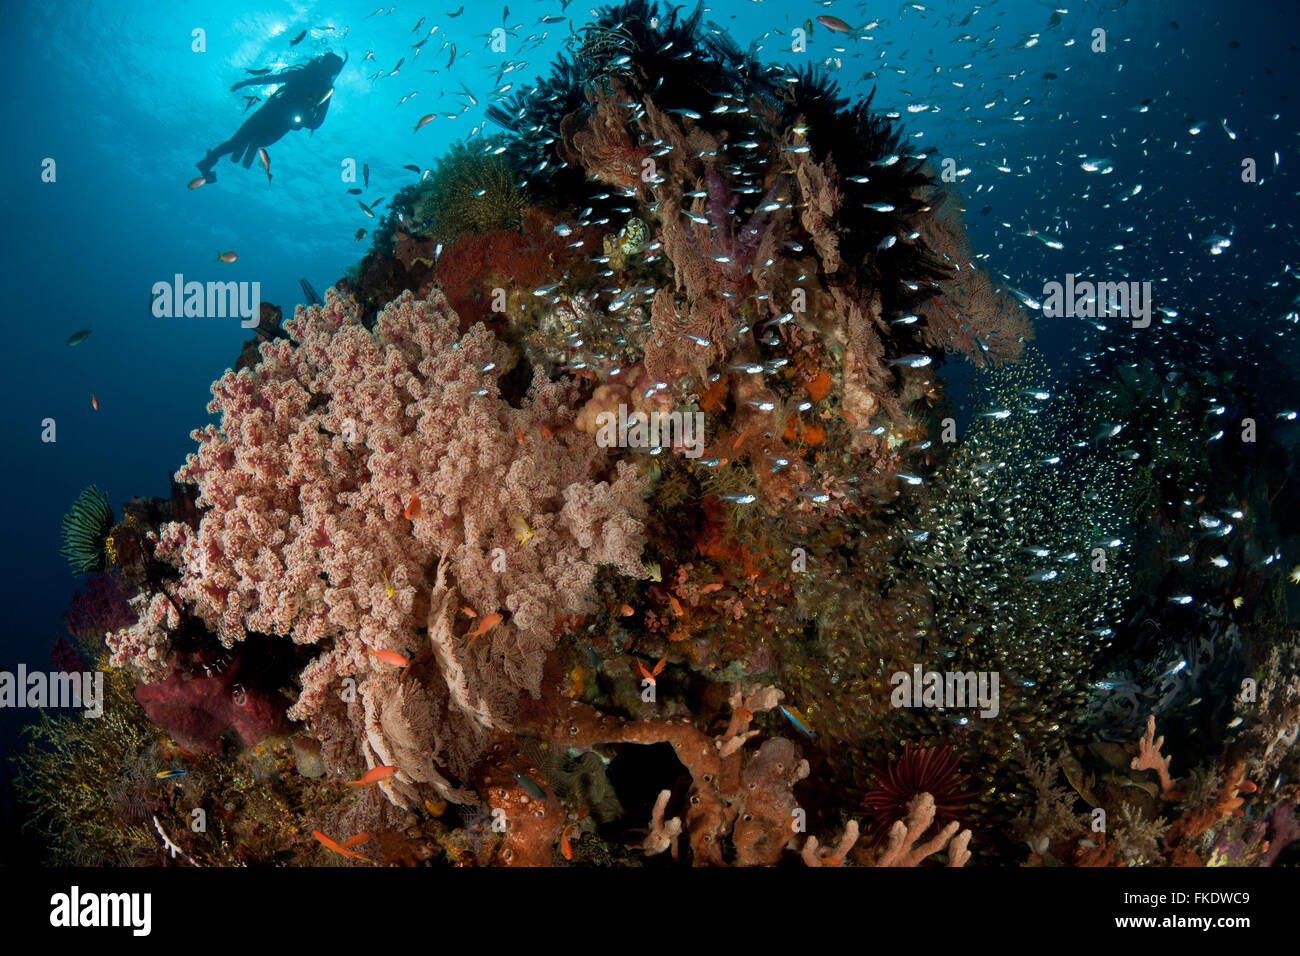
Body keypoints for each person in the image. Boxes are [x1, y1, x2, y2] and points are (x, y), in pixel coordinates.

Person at [196, 52, 345, 183]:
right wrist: (245, 82)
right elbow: (271, 79)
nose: (327, 71)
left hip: (279, 117)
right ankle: (208, 162)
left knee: (247, 141)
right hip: (276, 115)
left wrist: (303, 120)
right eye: (328, 66)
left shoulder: (323, 89)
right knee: (239, 141)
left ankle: (213, 160)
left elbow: (317, 122)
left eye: (331, 68)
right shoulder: (305, 77)